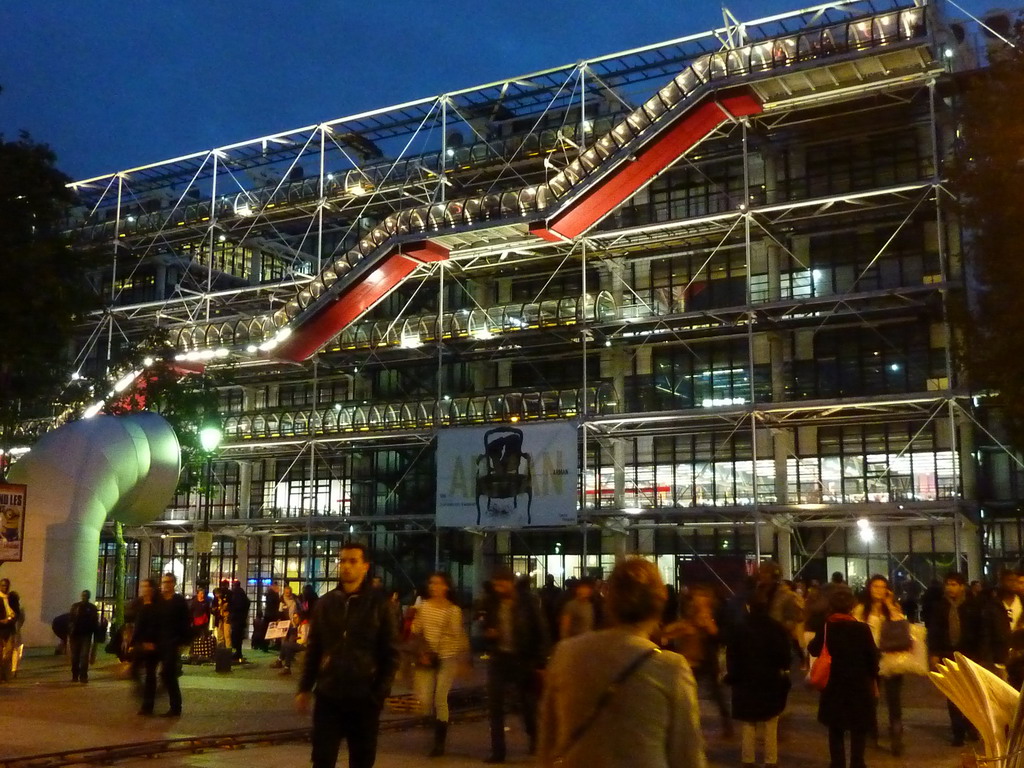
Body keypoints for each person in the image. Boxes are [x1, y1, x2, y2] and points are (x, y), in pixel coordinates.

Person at [538, 557, 705, 768]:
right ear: (660, 602)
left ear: (609, 600)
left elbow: (547, 744)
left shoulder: (566, 654)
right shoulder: (670, 668)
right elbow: (687, 756)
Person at [295, 542, 399, 768]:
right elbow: (315, 648)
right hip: (328, 694)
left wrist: (378, 694)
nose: (346, 566)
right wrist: (305, 687)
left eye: (353, 561)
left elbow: (390, 653)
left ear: (365, 566)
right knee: (322, 758)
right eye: (342, 560)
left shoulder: (380, 605)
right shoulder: (326, 603)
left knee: (361, 760)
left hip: (364, 695)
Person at [479, 565, 550, 763]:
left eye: (502, 585)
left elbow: (541, 630)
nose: (498, 589)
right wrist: (489, 633)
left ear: (511, 584)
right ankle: (498, 751)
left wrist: (540, 662)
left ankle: (535, 737)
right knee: (495, 705)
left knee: (528, 705)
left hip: (524, 659)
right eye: (496, 585)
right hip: (499, 658)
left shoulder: (528, 603)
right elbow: (484, 626)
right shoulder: (491, 602)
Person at [726, 574, 793, 768]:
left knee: (748, 722)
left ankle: (748, 759)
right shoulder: (776, 628)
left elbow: (733, 655)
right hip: (770, 680)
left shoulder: (739, 628)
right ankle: (770, 759)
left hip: (745, 680)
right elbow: (784, 655)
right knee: (771, 721)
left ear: (748, 606)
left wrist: (733, 675)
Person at [926, 571, 1000, 746]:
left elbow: (982, 631)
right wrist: (934, 652)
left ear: (961, 586)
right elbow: (934, 631)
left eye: (953, 584)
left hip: (969, 654)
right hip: (947, 654)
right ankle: (957, 731)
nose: (950, 588)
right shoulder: (940, 606)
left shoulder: (972, 605)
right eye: (948, 584)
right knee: (952, 694)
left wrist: (981, 654)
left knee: (971, 693)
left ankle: (971, 726)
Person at [809, 587, 879, 768]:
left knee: (836, 728)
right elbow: (872, 657)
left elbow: (813, 649)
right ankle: (857, 762)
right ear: (851, 606)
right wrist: (873, 677)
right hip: (859, 685)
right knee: (858, 728)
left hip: (834, 685)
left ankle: (837, 763)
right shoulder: (862, 629)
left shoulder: (826, 627)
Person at [411, 571, 470, 757]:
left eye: (438, 583)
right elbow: (416, 630)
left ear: (446, 587)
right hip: (428, 656)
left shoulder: (453, 610)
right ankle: (433, 725)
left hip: (447, 656)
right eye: (431, 583)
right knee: (424, 699)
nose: (434, 587)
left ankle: (439, 743)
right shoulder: (424, 607)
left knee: (440, 698)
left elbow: (458, 635)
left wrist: (462, 659)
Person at [664, 584, 731, 737]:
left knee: (715, 693)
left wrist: (707, 625)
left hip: (706, 659)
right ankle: (686, 723)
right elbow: (680, 627)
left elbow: (717, 635)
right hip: (691, 659)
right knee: (687, 693)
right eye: (696, 598)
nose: (697, 601)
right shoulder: (690, 613)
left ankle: (726, 723)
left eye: (701, 598)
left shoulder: (712, 614)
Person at [853, 575, 906, 755]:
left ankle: (896, 736)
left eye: (882, 587)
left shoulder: (892, 608)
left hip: (890, 658)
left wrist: (890, 603)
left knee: (894, 700)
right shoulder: (861, 610)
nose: (878, 590)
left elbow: (901, 627)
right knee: (869, 699)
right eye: (875, 586)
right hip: (868, 659)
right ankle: (871, 734)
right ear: (869, 588)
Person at [68, 589, 100, 683]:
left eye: (86, 595)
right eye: (83, 595)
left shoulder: (91, 608)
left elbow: (94, 622)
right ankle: (76, 675)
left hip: (85, 634)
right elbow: (71, 620)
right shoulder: (76, 607)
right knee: (75, 656)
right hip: (76, 634)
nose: (84, 597)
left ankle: (82, 675)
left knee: (83, 656)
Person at [0, 577, 21, 682]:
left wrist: (12, 618)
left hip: (10, 627)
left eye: (6, 585)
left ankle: (4, 673)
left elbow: (17, 612)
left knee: (8, 653)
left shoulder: (11, 598)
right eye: (3, 585)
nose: (5, 587)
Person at [228, 580, 250, 662]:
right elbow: (247, 603)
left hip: (236, 618)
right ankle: (238, 652)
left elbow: (233, 605)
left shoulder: (234, 594)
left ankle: (237, 652)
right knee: (239, 637)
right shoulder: (242, 593)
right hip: (241, 619)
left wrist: (232, 611)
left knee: (235, 636)